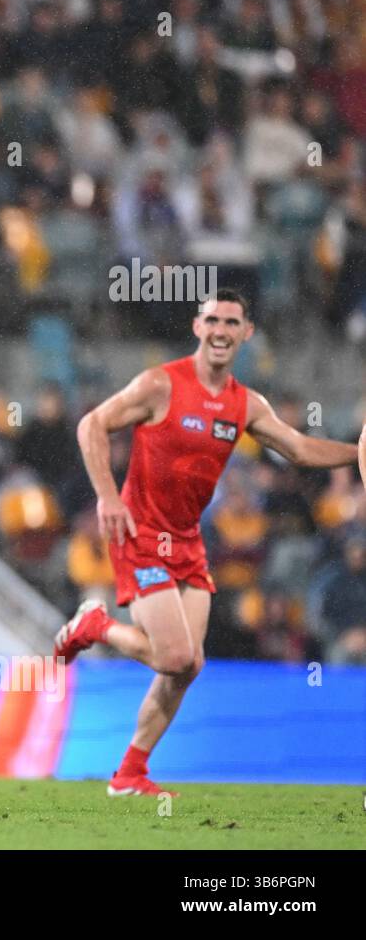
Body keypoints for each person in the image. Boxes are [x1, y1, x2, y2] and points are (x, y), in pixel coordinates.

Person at [54, 289, 358, 796]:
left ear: (246, 333)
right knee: (173, 657)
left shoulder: (246, 404)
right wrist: (108, 497)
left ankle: (129, 774)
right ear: (198, 327)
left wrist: (357, 450)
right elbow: (92, 425)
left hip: (189, 542)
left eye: (231, 322)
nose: (220, 330)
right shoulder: (160, 384)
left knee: (189, 666)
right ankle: (97, 624)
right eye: (212, 319)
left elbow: (300, 449)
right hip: (141, 534)